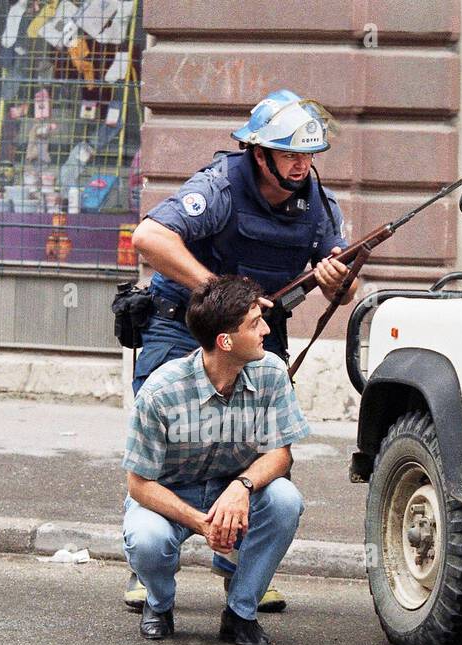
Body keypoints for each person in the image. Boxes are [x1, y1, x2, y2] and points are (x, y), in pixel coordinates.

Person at [122, 89, 357, 612]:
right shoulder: (220, 186)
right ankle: (147, 565)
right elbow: (149, 237)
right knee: (166, 443)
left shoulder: (318, 205)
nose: (300, 165)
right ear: (259, 152)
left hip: (257, 333)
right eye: (289, 154)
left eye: (307, 155)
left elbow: (345, 286)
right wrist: (215, 292)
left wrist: (338, 281)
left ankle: (242, 568)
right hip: (183, 328)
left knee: (263, 445)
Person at [121, 276, 309, 645]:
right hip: (169, 494)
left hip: (233, 489)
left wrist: (242, 487)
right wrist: (201, 523)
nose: (266, 331)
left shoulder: (271, 372)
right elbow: (138, 484)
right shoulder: (161, 391)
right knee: (147, 539)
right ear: (225, 342)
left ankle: (240, 613)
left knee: (285, 500)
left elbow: (280, 453)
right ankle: (159, 604)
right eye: (255, 324)